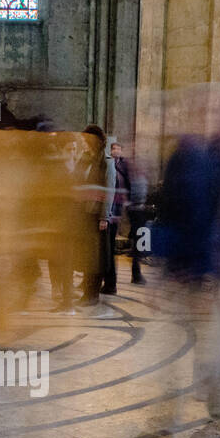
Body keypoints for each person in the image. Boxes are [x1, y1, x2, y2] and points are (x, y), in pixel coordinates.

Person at [78, 124, 115, 307]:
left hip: (96, 216)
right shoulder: (85, 159)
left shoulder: (107, 162)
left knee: (96, 258)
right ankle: (86, 291)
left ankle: (92, 295)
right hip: (83, 214)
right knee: (86, 255)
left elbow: (109, 191)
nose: (84, 143)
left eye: (87, 140)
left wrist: (104, 217)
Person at [111, 140, 144, 285]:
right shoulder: (118, 164)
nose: (116, 150)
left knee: (135, 240)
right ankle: (113, 277)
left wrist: (133, 202)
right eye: (114, 148)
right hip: (120, 205)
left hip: (129, 206)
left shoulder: (127, 164)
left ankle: (135, 274)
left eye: (118, 148)